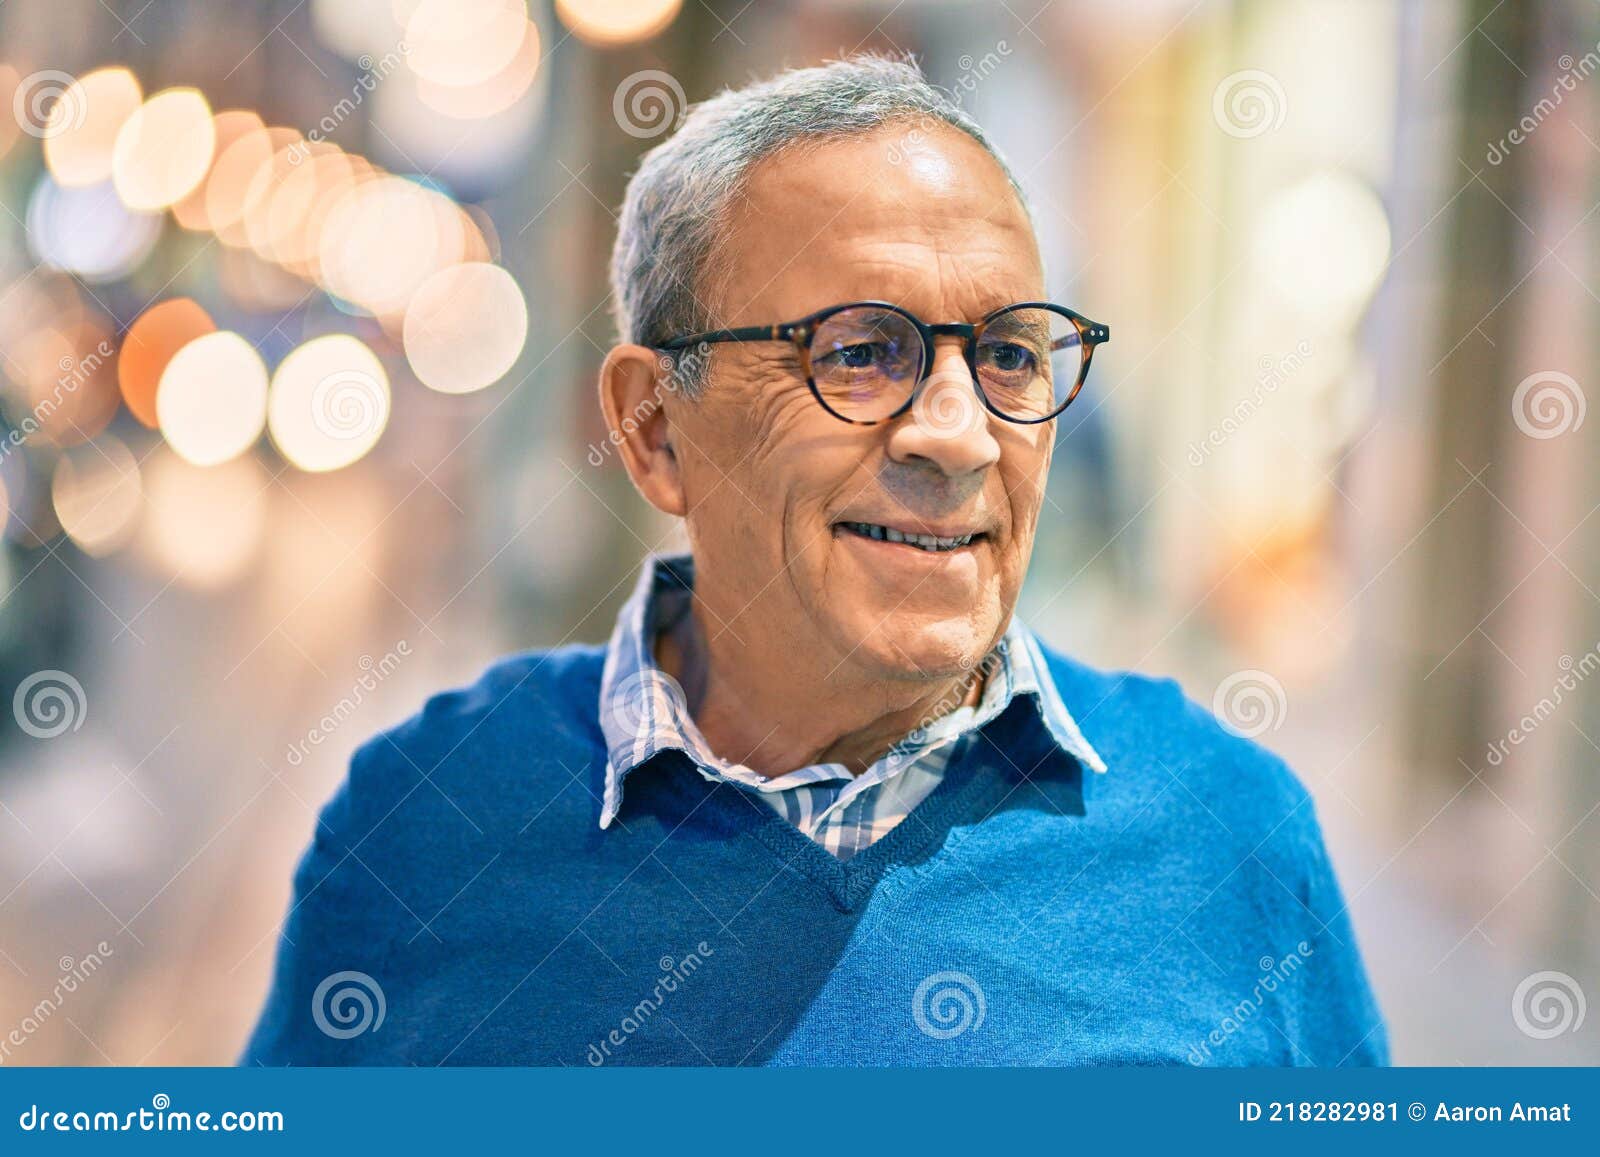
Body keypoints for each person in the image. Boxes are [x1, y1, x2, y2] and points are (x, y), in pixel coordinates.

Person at [244, 55, 1387, 1066]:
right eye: (860, 352)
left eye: (1008, 353)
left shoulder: (1225, 832)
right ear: (653, 430)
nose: (957, 432)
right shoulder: (427, 823)